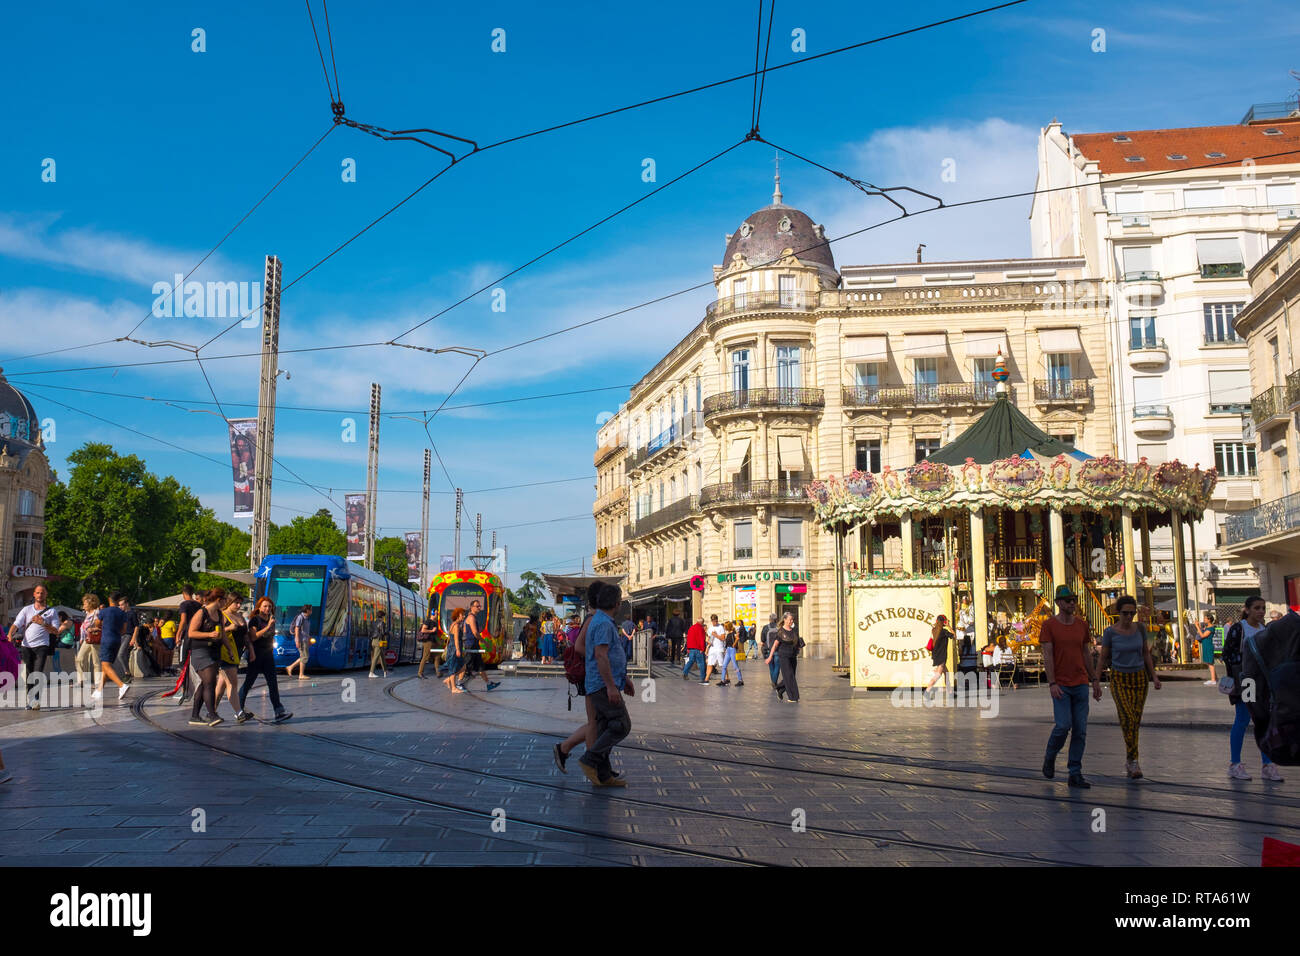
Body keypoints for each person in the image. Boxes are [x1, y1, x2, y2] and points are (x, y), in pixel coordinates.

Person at [1040, 585, 1102, 788]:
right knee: (1063, 725)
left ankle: (1075, 772)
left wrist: (1094, 680)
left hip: (1081, 683)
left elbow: (1086, 653)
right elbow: (1047, 655)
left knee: (1080, 730)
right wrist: (1052, 682)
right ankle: (1050, 756)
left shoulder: (1082, 625)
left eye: (1073, 600)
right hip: (1061, 685)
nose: (1072, 603)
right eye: (1068, 600)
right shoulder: (1049, 625)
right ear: (1058, 603)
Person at [1100, 594, 1162, 779]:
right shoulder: (1110, 632)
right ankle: (1133, 761)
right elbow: (1103, 657)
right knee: (1127, 717)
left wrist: (1154, 677)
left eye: (1132, 614)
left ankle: (1131, 759)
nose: (1129, 617)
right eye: (1126, 613)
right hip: (1119, 678)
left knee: (1135, 720)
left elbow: (1145, 654)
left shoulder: (1140, 629)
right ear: (1118, 613)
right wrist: (1096, 680)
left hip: (1139, 679)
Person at [1222, 595, 1283, 782]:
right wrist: (1238, 676)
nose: (1261, 612)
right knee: (1243, 719)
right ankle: (1235, 764)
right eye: (1257, 608)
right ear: (1247, 609)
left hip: (1264, 681)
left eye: (1263, 608)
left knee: (1263, 721)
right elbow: (1227, 654)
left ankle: (1267, 764)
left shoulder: (1265, 629)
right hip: (1247, 681)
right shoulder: (1239, 629)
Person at [579, 583, 633, 787]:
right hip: (602, 685)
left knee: (604, 728)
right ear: (617, 603)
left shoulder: (603, 621)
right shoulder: (602, 623)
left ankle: (603, 776)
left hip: (603, 682)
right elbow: (601, 655)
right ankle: (590, 760)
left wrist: (623, 678)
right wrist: (611, 687)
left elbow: (609, 654)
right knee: (621, 725)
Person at [555, 583, 603, 774]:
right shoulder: (592, 619)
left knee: (596, 722)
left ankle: (589, 760)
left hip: (593, 676)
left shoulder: (593, 618)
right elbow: (579, 647)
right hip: (593, 676)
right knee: (597, 722)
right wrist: (598, 659)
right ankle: (587, 759)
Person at [238, 596, 291, 723]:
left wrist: (270, 629)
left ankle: (279, 711)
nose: (267, 609)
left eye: (269, 606)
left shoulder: (271, 619)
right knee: (248, 683)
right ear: (259, 607)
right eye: (265, 606)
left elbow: (269, 636)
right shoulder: (254, 620)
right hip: (255, 655)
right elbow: (253, 637)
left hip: (268, 655)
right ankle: (239, 710)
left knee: (273, 683)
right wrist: (268, 627)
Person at [8, 584, 59, 710]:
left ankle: (36, 700)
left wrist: (43, 623)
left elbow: (55, 631)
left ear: (46, 594)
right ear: (34, 594)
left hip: (42, 645)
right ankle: (30, 700)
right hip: (27, 646)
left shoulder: (52, 612)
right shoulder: (26, 610)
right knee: (30, 673)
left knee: (37, 672)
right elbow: (17, 624)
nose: (40, 595)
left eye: (42, 593)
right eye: (37, 592)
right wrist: (10, 634)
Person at [188, 588, 230, 726]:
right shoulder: (202, 612)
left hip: (214, 651)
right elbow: (191, 633)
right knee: (210, 683)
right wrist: (209, 635)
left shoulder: (219, 613)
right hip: (200, 652)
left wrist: (229, 649)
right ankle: (212, 715)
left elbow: (223, 634)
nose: (226, 602)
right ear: (219, 600)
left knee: (203, 684)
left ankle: (194, 716)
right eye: (225, 599)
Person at [93, 591, 132, 703]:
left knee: (105, 665)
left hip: (106, 640)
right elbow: (124, 630)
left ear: (109, 599)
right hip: (117, 640)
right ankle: (99, 691)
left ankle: (121, 686)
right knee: (107, 666)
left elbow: (97, 623)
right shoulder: (122, 613)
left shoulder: (104, 611)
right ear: (118, 600)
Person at [456, 599, 501, 691]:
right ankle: (459, 683)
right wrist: (484, 642)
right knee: (466, 665)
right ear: (472, 607)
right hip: (470, 645)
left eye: (480, 606)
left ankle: (488, 684)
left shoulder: (472, 617)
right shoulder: (471, 618)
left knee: (480, 666)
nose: (479, 608)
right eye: (477, 606)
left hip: (474, 645)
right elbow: (475, 633)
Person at [215, 593, 247, 716]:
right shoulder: (222, 615)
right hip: (226, 653)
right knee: (232, 683)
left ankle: (211, 712)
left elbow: (245, 636)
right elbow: (216, 633)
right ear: (229, 602)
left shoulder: (240, 616)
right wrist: (228, 629)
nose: (239, 606)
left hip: (238, 653)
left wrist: (250, 649)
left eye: (240, 603)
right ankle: (239, 713)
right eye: (236, 603)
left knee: (221, 685)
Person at [174, 585, 202, 706]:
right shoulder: (199, 605)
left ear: (183, 593)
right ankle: (196, 688)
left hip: (187, 637)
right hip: (197, 637)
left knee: (183, 664)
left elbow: (183, 621)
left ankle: (183, 690)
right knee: (193, 664)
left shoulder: (184, 604)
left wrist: (178, 635)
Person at [766, 611, 801, 702]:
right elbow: (775, 645)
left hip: (793, 656)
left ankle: (780, 689)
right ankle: (793, 697)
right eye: (790, 620)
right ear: (785, 620)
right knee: (789, 676)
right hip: (783, 656)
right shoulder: (780, 631)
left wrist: (799, 646)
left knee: (791, 675)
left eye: (792, 620)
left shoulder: (794, 630)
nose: (791, 621)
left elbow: (796, 641)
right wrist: (770, 657)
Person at [74, 594, 102, 687]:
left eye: (85, 604)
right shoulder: (87, 614)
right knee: (79, 659)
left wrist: (93, 629)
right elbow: (83, 627)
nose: (83, 606)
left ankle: (98, 682)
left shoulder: (97, 613)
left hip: (95, 638)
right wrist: (82, 638)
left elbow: (102, 626)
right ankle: (83, 680)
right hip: (87, 639)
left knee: (96, 661)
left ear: (91, 604)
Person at [924, 615, 954, 700]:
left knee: (946, 674)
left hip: (936, 655)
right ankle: (927, 691)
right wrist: (949, 626)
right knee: (938, 675)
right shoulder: (944, 631)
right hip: (941, 656)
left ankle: (950, 693)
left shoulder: (934, 630)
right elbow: (954, 636)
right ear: (944, 622)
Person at [444, 608, 466, 694]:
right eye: (462, 615)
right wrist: (457, 650)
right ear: (458, 615)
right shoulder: (456, 626)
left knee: (463, 667)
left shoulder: (453, 624)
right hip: (454, 649)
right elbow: (456, 639)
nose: (464, 616)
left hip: (454, 648)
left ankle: (448, 680)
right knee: (453, 668)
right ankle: (453, 688)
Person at [287, 604, 312, 679]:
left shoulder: (306, 618)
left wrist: (309, 639)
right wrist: (297, 640)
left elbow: (305, 631)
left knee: (304, 656)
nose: (311, 611)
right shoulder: (300, 617)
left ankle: (290, 667)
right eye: (311, 609)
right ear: (307, 610)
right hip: (301, 640)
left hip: (305, 639)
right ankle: (301, 675)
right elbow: (297, 629)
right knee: (304, 656)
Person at [718, 620, 744, 687]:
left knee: (735, 666)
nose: (724, 628)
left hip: (732, 650)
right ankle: (722, 680)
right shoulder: (728, 633)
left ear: (728, 627)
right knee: (724, 665)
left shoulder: (733, 632)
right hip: (728, 650)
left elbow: (737, 638)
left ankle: (740, 680)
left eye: (725, 627)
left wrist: (733, 645)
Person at [760, 613, 781, 691]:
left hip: (768, 650)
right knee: (777, 667)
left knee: (771, 667)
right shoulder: (779, 627)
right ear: (776, 619)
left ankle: (773, 682)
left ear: (769, 619)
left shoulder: (766, 627)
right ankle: (774, 682)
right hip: (778, 650)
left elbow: (762, 639)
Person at [702, 614, 725, 686]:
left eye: (716, 621)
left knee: (722, 665)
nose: (715, 623)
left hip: (719, 648)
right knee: (709, 663)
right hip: (712, 648)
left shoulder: (721, 627)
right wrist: (707, 645)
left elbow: (723, 638)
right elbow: (709, 638)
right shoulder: (710, 628)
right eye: (713, 621)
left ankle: (727, 678)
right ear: (711, 621)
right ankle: (706, 679)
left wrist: (716, 635)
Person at [1198, 612, 1218, 686]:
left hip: (1208, 646)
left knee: (1210, 663)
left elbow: (1203, 635)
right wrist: (1199, 627)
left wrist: (1197, 627)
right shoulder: (1207, 627)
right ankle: (1215, 678)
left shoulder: (1211, 628)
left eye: (1205, 618)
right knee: (1209, 662)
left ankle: (1213, 680)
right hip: (1206, 645)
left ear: (1209, 619)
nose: (1204, 620)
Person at [417, 609, 438, 678]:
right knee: (425, 657)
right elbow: (423, 630)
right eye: (436, 613)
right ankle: (420, 673)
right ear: (433, 614)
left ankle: (438, 672)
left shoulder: (434, 622)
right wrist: (432, 631)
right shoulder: (428, 621)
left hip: (433, 641)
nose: (437, 615)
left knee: (437, 656)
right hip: (428, 642)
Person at [368, 610, 389, 679]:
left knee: (381, 656)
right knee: (376, 657)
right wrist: (388, 632)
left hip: (373, 641)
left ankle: (385, 671)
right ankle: (371, 673)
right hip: (379, 641)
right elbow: (383, 633)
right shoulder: (382, 623)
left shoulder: (373, 622)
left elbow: (371, 631)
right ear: (382, 616)